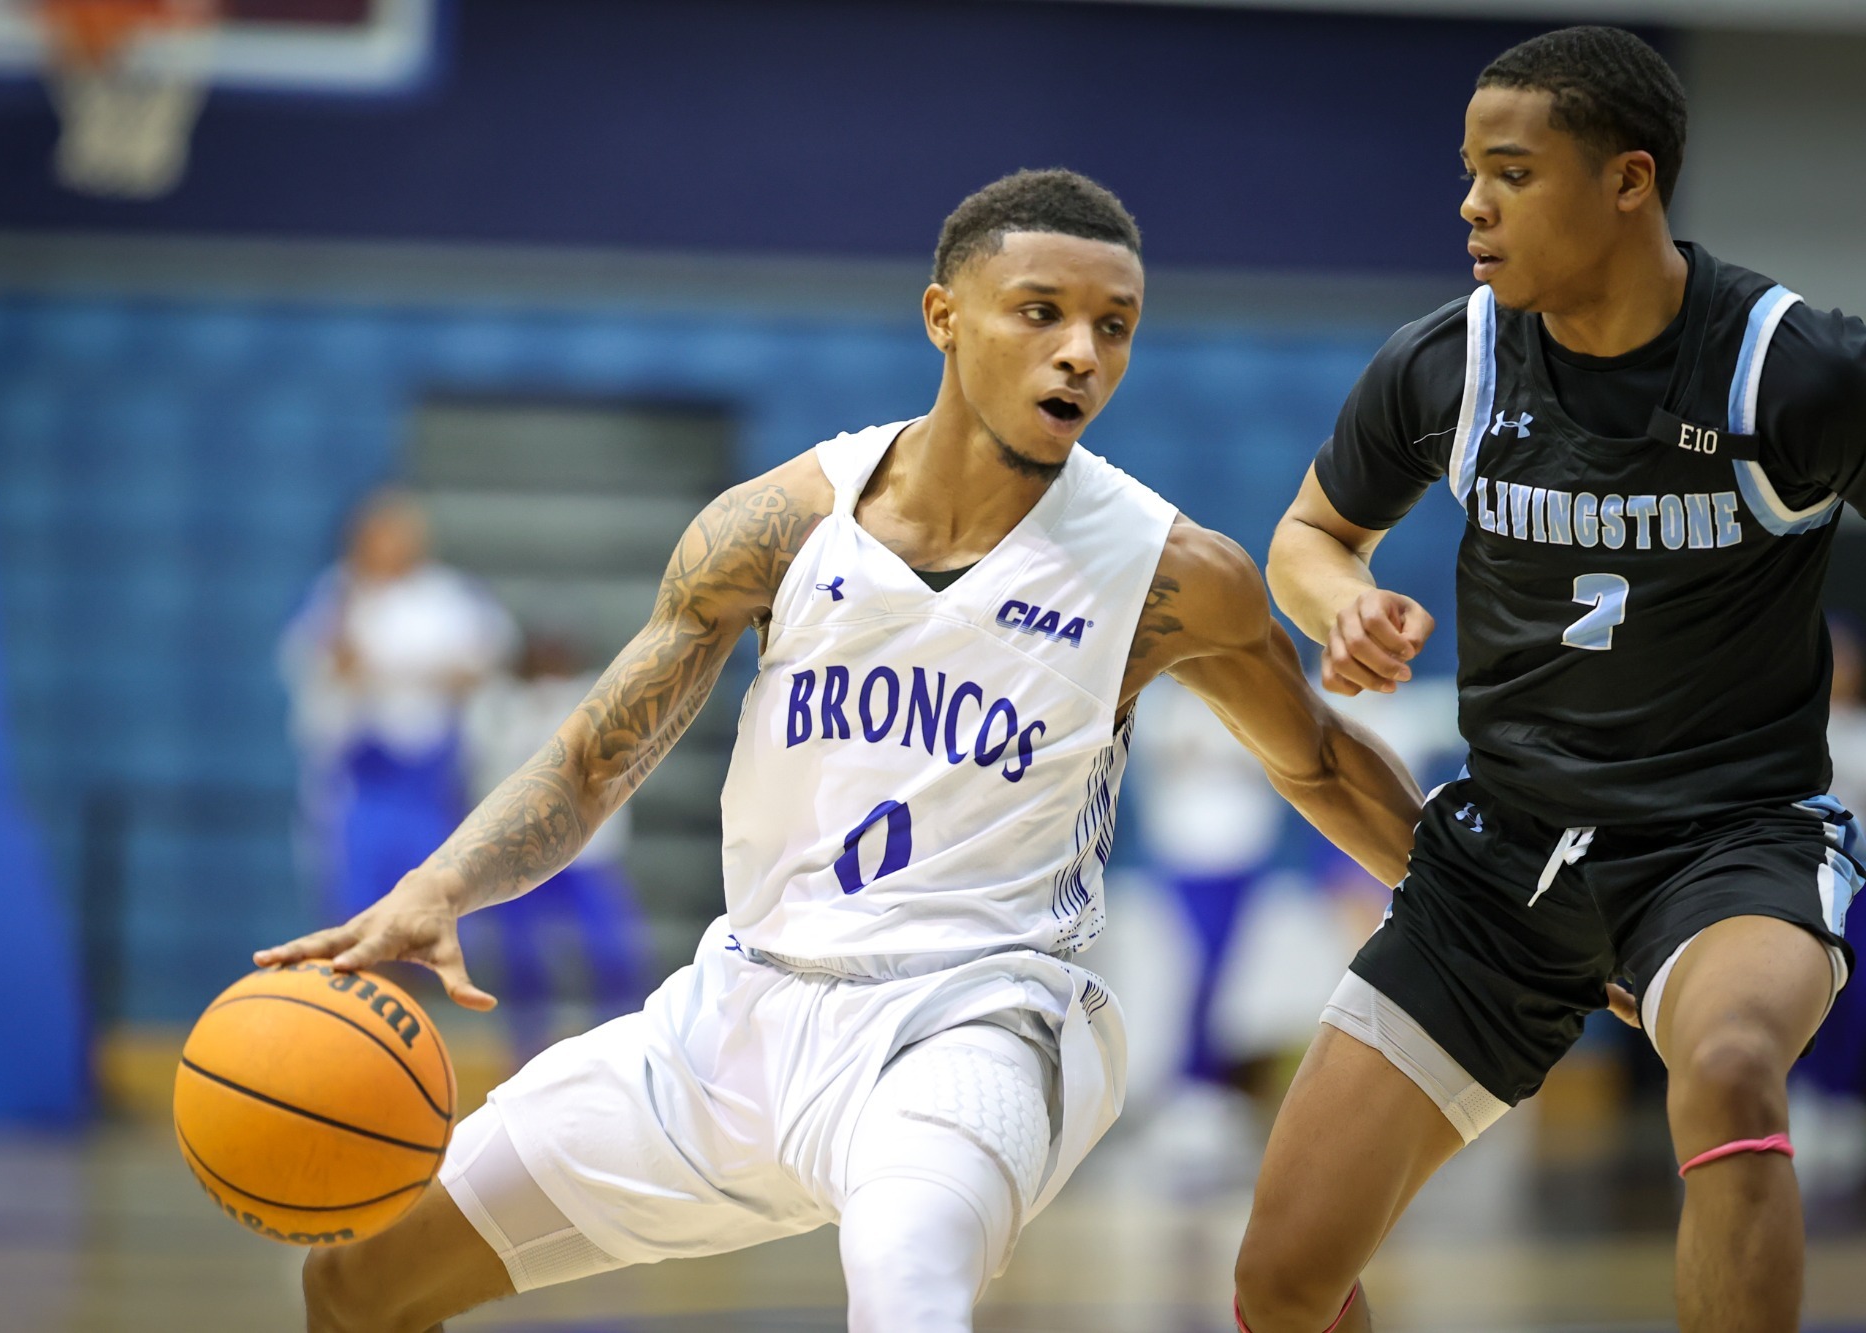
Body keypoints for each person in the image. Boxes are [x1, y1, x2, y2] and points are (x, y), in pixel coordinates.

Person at [258, 168, 1422, 1333]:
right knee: (357, 1281)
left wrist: (1502, 922)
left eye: (1111, 327)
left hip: (977, 1019)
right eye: (1040, 311)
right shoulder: (777, 526)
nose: (1080, 352)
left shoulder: (1169, 571)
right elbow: (591, 759)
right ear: (942, 316)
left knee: (908, 1294)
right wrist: (442, 883)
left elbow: (1314, 761)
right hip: (740, 1011)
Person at [1242, 27, 1862, 1333]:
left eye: (1510, 172)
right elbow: (1305, 538)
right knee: (1283, 1281)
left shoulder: (1790, 368)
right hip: (1505, 858)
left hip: (1727, 841)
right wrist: (1341, 600)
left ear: (1628, 181)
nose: (1471, 202)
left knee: (1737, 1065)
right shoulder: (1448, 362)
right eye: (1470, 170)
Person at [280, 490, 515, 924]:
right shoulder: (335, 595)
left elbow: (479, 665)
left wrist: (388, 673)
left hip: (430, 780)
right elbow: (325, 666)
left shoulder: (450, 597)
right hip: (362, 778)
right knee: (358, 911)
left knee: (426, 910)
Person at [460, 635, 650, 1056]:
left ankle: (622, 1050)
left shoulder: (598, 697)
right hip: (523, 853)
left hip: (589, 855)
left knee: (615, 953)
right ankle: (525, 1052)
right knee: (522, 960)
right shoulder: (497, 706)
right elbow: (485, 768)